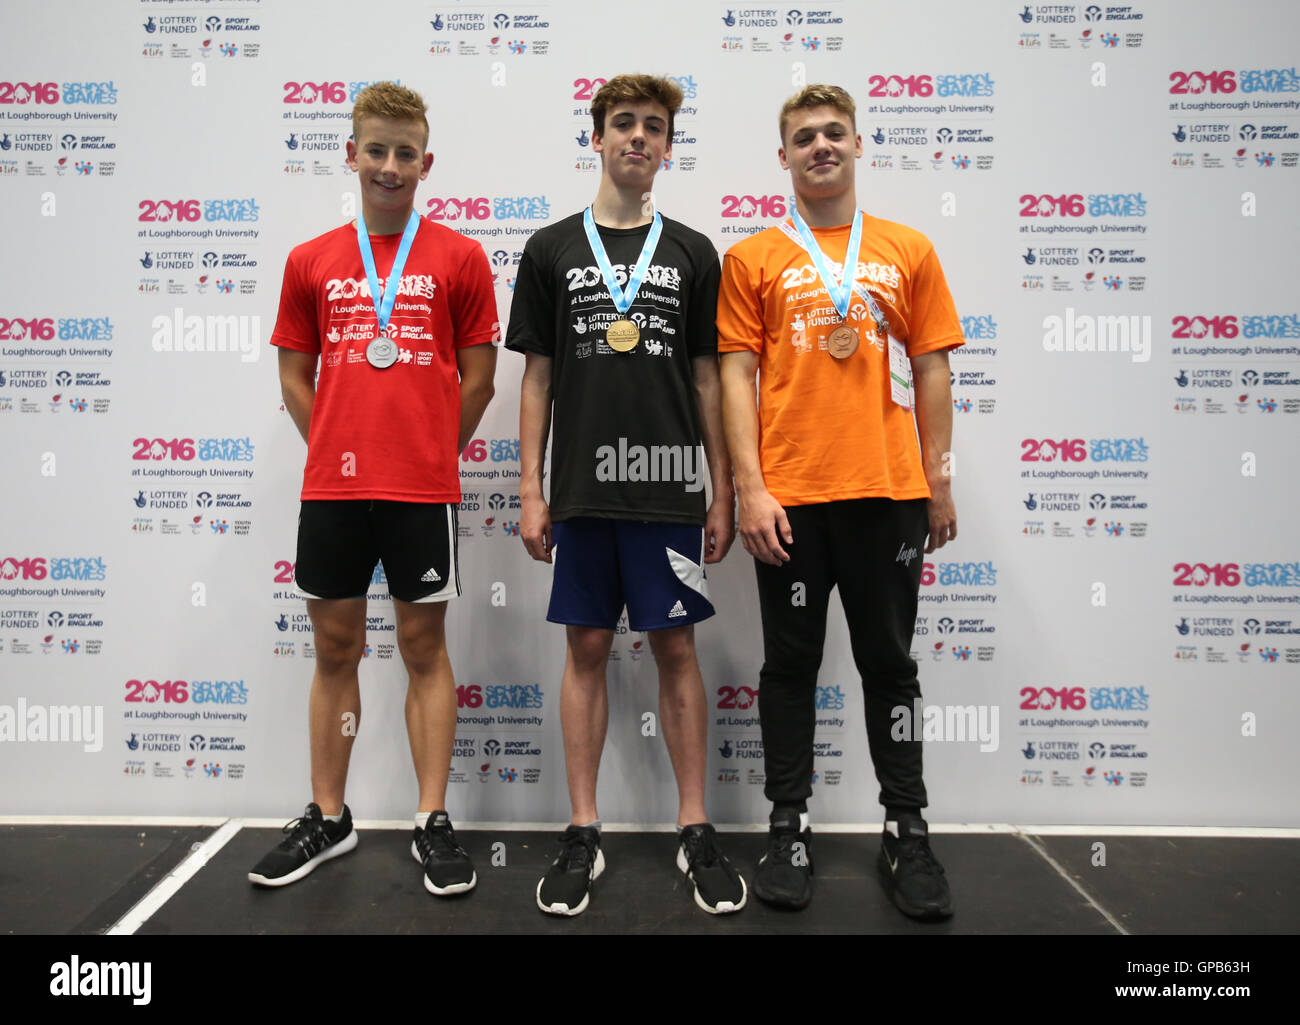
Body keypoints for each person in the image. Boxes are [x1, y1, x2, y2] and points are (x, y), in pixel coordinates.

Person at [717, 84, 962, 919]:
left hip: (890, 497)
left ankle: (907, 828)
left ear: (859, 144)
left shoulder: (909, 250)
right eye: (802, 137)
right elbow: (736, 376)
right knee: (789, 669)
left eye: (833, 133)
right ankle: (788, 825)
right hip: (791, 502)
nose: (819, 146)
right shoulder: (753, 258)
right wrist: (749, 485)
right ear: (781, 156)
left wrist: (939, 480)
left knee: (890, 668)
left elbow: (932, 367)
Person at [506, 74, 746, 916]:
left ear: (667, 146)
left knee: (676, 651)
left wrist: (719, 490)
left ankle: (694, 827)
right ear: (597, 138)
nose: (637, 138)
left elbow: (708, 379)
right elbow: (536, 379)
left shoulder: (692, 251)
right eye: (622, 124)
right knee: (585, 652)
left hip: (670, 486)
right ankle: (583, 830)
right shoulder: (549, 249)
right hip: (579, 487)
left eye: (652, 127)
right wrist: (530, 489)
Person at [250, 82, 498, 896]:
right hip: (333, 491)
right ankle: (329, 814)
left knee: (425, 651)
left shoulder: (459, 258)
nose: (390, 166)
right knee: (334, 651)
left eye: (405, 153)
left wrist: (426, 452)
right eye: (376, 150)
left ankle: (430, 817)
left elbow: (481, 378)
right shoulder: (311, 259)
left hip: (422, 491)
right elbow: (294, 370)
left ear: (427, 163)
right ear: (351, 154)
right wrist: (339, 445)